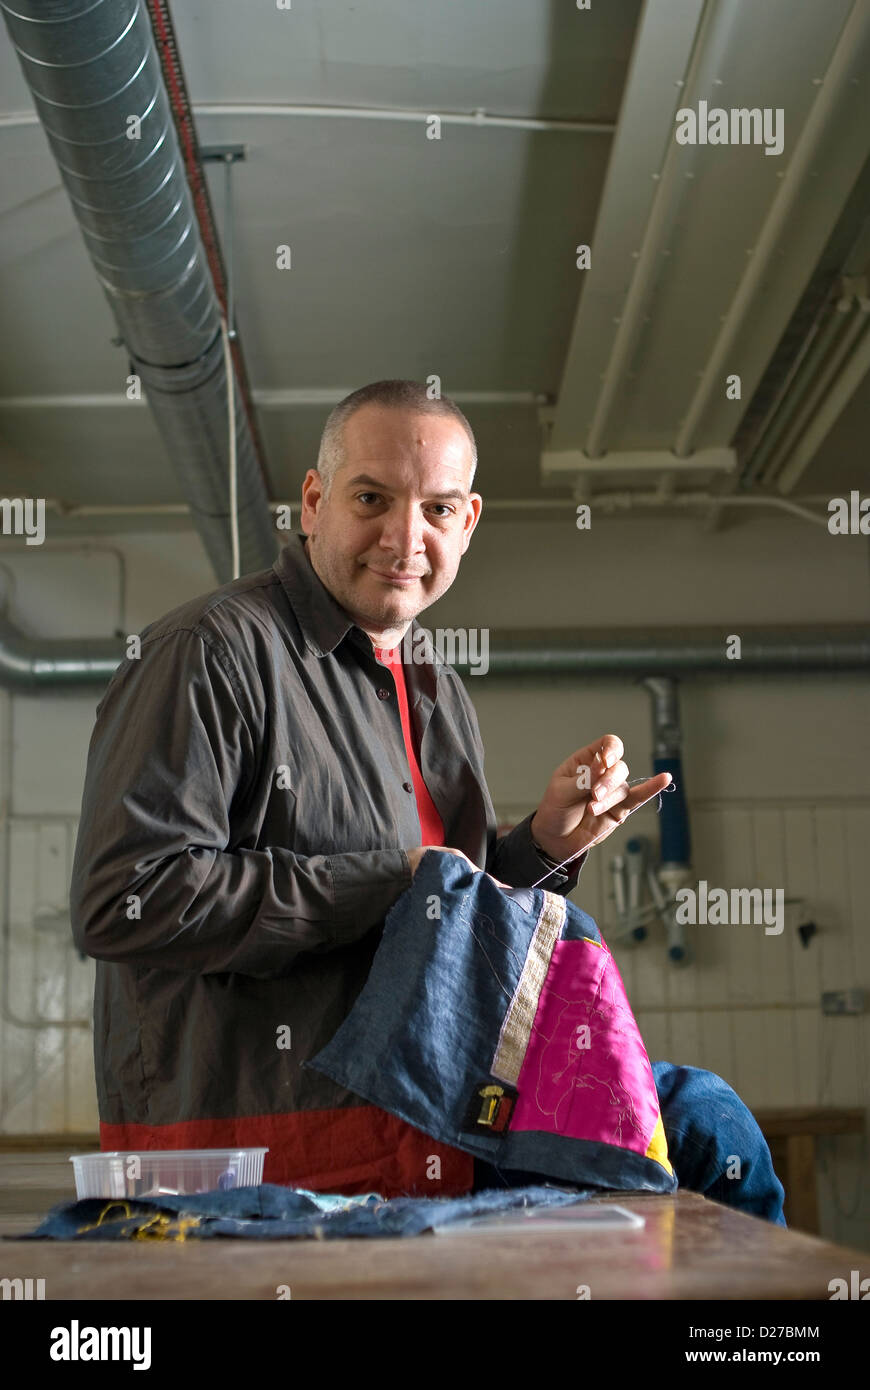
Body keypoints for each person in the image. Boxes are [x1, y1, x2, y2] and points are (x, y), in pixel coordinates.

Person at [69, 379, 785, 1224]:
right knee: (696, 1131)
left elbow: (445, 927)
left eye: (438, 510)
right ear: (314, 500)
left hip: (431, 1109)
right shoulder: (213, 652)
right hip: (265, 1144)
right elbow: (125, 900)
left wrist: (539, 849)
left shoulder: (437, 691)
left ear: (468, 522)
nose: (405, 537)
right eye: (373, 498)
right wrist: (392, 880)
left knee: (704, 1123)